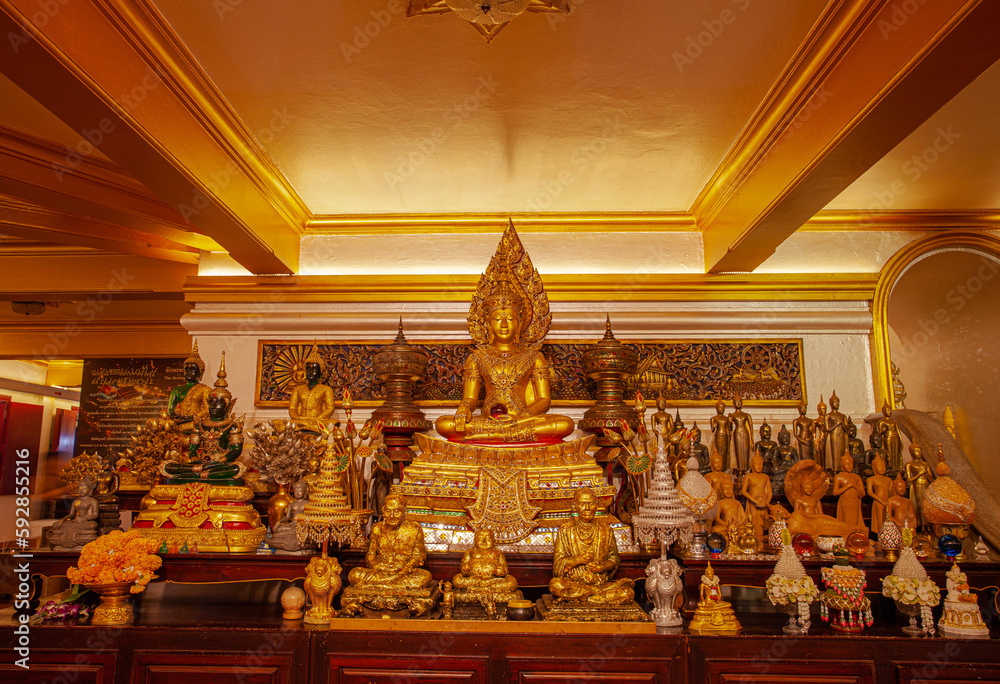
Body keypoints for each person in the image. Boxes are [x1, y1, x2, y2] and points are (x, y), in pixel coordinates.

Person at [435, 279, 573, 443]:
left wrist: (520, 418)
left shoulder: (535, 356)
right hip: (488, 422)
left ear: (520, 322)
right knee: (444, 424)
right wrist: (464, 409)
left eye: (510, 318)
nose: (504, 324)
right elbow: (470, 399)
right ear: (488, 323)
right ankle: (504, 435)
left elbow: (544, 400)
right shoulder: (476, 357)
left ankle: (494, 437)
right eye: (498, 318)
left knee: (565, 424)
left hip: (521, 421)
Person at [161, 353, 245, 484]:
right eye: (211, 402)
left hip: (219, 464)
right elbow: (192, 449)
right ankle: (200, 472)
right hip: (200, 461)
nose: (213, 406)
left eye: (217, 403)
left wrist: (220, 459)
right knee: (168, 467)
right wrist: (195, 458)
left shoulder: (231, 425)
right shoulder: (200, 425)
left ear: (226, 405)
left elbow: (236, 451)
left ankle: (197, 473)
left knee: (236, 468)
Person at [549, 487, 633, 604]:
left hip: (600, 585)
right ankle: (594, 599)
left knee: (628, 593)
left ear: (597, 505)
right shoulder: (565, 530)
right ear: (575, 505)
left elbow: (614, 559)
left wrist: (601, 567)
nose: (587, 508)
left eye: (591, 504)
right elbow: (558, 564)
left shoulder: (606, 530)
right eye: (583, 504)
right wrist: (578, 560)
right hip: (574, 584)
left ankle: (586, 598)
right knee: (555, 585)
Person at [347, 493, 433, 590]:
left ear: (404, 513)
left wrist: (406, 567)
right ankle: (392, 586)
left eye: (396, 512)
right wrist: (376, 565)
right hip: (381, 571)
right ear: (383, 511)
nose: (392, 516)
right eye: (388, 511)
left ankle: (380, 586)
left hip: (402, 572)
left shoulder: (414, 529)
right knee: (354, 574)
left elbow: (419, 556)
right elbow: (371, 554)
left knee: (425, 577)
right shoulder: (377, 528)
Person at [452, 528, 518, 595]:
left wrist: (500, 572)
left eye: (488, 539)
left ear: (494, 542)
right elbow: (463, 567)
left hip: (493, 580)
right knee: (457, 579)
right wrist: (466, 570)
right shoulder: (469, 553)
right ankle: (489, 591)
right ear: (475, 542)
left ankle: (477, 591)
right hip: (474, 580)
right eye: (480, 539)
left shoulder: (498, 553)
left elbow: (505, 570)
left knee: (511, 581)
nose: (484, 541)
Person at [288, 345, 336, 435]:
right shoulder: (297, 389)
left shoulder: (326, 389)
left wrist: (317, 419)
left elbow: (330, 408)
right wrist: (298, 418)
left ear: (320, 371)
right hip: (301, 422)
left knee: (333, 424)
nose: (310, 372)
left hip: (318, 422)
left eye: (314, 369)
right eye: (308, 369)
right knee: (283, 424)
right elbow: (292, 408)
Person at [168, 340, 210, 434]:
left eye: (192, 369)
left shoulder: (204, 390)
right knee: (166, 425)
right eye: (187, 369)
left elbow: (207, 410)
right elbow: (171, 409)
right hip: (180, 421)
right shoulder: (177, 390)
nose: (189, 372)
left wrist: (191, 417)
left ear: (200, 372)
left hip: (195, 422)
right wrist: (177, 417)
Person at [49, 478, 99, 550]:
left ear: (90, 490)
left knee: (92, 526)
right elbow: (71, 514)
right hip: (75, 522)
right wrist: (62, 520)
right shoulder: (76, 501)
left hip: (86, 522)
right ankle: (74, 539)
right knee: (56, 525)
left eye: (84, 489)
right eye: (80, 489)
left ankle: (68, 540)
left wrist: (84, 519)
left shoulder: (93, 501)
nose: (81, 491)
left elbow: (94, 514)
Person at [741, 454, 772, 542]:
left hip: (763, 503)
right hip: (752, 502)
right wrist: (754, 501)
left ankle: (760, 540)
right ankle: (753, 541)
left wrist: (767, 502)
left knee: (762, 522)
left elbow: (769, 491)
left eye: (761, 464)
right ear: (752, 465)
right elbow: (744, 491)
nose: (759, 466)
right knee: (753, 520)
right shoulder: (748, 476)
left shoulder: (765, 477)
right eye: (757, 464)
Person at [904, 443, 933, 530]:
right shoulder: (909, 464)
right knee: (920, 505)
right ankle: (922, 525)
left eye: (920, 450)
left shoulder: (925, 464)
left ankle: (929, 525)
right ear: (912, 453)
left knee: (927, 505)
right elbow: (909, 479)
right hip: (917, 485)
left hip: (926, 485)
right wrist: (919, 474)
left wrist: (927, 474)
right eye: (916, 450)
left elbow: (931, 479)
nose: (919, 452)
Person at [832, 454, 864, 529]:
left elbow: (862, 494)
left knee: (855, 523)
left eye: (851, 464)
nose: (849, 466)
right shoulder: (838, 477)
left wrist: (855, 486)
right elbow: (835, 492)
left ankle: (855, 536)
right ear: (842, 465)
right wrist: (848, 486)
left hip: (855, 502)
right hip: (845, 502)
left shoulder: (857, 477)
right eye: (847, 464)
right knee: (846, 523)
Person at [866, 455, 891, 535]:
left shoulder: (889, 480)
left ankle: (888, 537)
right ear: (874, 468)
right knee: (880, 522)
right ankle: (881, 538)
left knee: (889, 521)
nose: (882, 468)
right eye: (879, 466)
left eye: (883, 466)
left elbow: (891, 492)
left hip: (888, 502)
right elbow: (870, 492)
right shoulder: (871, 479)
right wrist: (881, 501)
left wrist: (890, 502)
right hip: (878, 502)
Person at [875, 401, 903, 472]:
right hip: (888, 438)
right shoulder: (881, 422)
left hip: (895, 437)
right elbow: (879, 434)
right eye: (887, 410)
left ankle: (896, 467)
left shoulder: (894, 422)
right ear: (884, 412)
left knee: (896, 453)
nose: (889, 412)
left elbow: (898, 432)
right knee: (889, 453)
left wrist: (901, 442)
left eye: (890, 410)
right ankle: (890, 467)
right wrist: (883, 431)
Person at [728, 396, 753, 472]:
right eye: (736, 402)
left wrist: (752, 440)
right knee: (738, 452)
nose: (738, 403)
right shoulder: (732, 415)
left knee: (745, 452)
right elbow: (730, 429)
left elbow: (751, 428)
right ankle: (739, 469)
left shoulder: (746, 415)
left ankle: (745, 469)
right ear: (733, 404)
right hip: (737, 433)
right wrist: (730, 421)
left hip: (745, 433)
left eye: (740, 402)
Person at [825, 392, 850, 467]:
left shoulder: (843, 416)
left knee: (842, 453)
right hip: (833, 436)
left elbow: (847, 428)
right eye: (835, 402)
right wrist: (837, 424)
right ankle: (835, 470)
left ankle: (843, 468)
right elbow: (827, 429)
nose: (837, 404)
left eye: (838, 402)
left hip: (842, 435)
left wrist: (843, 424)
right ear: (831, 403)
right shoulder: (828, 416)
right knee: (834, 454)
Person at [710, 400, 732, 470]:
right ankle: (718, 468)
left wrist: (730, 422)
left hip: (725, 436)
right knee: (719, 453)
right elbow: (712, 430)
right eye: (720, 407)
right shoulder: (714, 418)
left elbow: (730, 429)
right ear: (716, 408)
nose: (721, 409)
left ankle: (724, 468)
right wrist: (715, 425)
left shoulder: (726, 418)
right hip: (718, 435)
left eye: (723, 407)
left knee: (725, 453)